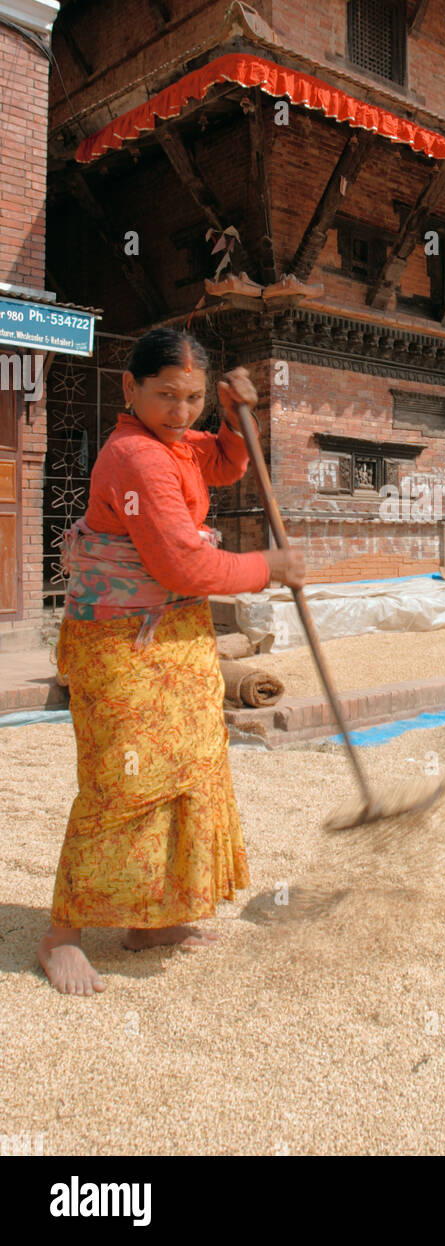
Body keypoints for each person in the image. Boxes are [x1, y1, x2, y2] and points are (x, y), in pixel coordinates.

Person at [37, 327, 305, 996]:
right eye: (165, 397)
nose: (180, 413)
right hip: (122, 643)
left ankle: (151, 919)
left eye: (191, 399)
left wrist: (236, 418)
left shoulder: (179, 445)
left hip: (178, 640)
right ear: (130, 389)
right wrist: (265, 566)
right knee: (122, 783)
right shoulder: (136, 457)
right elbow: (179, 563)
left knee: (190, 772)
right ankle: (61, 934)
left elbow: (226, 464)